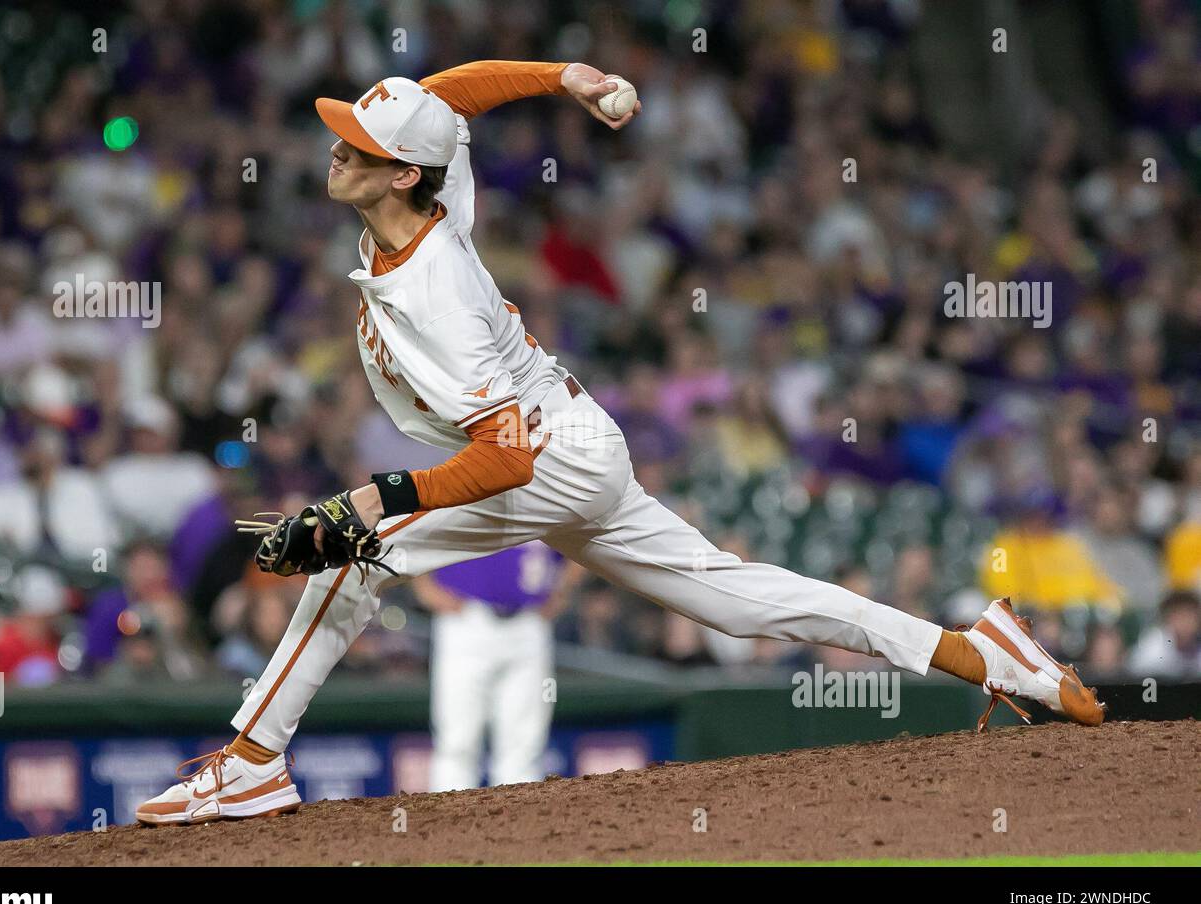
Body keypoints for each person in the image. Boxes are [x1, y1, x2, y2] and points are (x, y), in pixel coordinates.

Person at [135, 61, 1104, 827]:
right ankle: (977, 652)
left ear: (397, 173)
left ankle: (253, 765)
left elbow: (504, 459)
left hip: (545, 457)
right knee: (733, 600)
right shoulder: (432, 200)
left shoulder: (437, 286)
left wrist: (372, 501)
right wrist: (568, 75)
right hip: (574, 446)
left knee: (358, 553)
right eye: (341, 134)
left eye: (355, 143)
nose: (333, 148)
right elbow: (448, 97)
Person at [413, 540, 578, 791]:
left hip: (529, 620)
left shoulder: (546, 502)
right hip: (465, 619)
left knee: (524, 743)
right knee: (457, 739)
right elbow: (415, 531)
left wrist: (563, 588)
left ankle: (518, 826)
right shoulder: (460, 499)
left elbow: (586, 531)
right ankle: (448, 825)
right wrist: (423, 585)